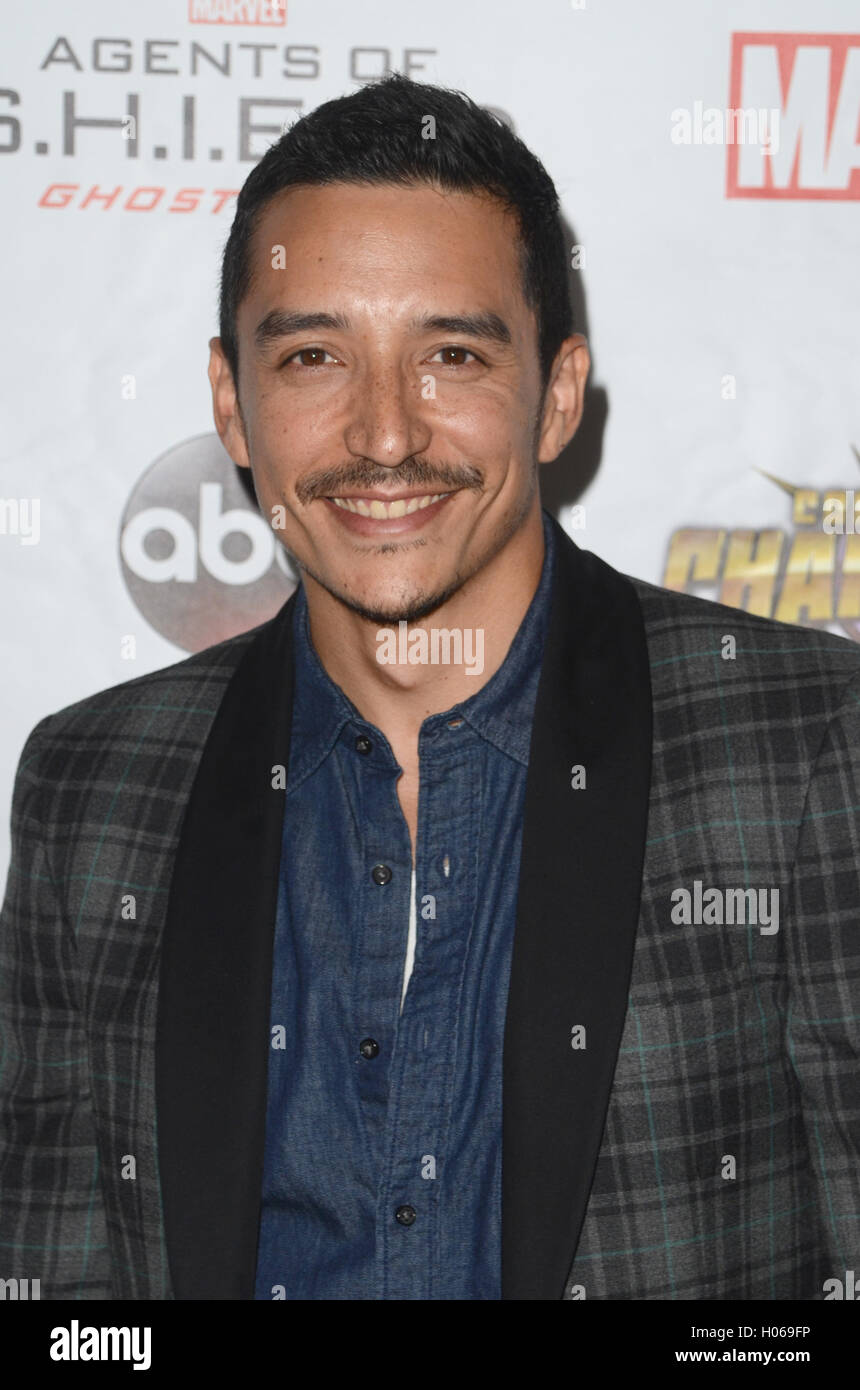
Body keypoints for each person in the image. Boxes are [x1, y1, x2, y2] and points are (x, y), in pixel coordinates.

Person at [1, 73, 858, 1302]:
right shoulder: (94, 787)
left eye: (451, 354)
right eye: (313, 356)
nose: (386, 434)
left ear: (555, 395)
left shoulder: (803, 743)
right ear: (231, 405)